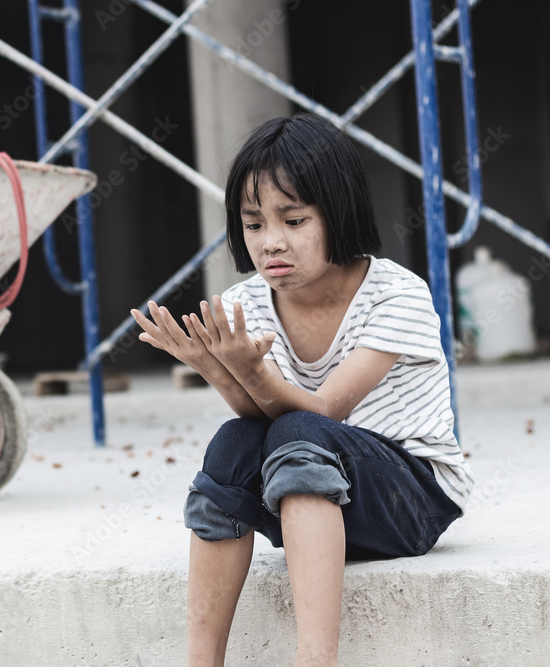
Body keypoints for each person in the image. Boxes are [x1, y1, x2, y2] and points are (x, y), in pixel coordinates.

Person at [131, 113, 473, 667]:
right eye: (254, 224)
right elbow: (259, 417)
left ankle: (315, 660)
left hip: (409, 501)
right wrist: (214, 369)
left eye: (293, 220)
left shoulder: (396, 294)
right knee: (236, 440)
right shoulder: (245, 303)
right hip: (307, 497)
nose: (272, 243)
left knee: (298, 431)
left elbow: (324, 409)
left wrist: (251, 371)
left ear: (338, 212)